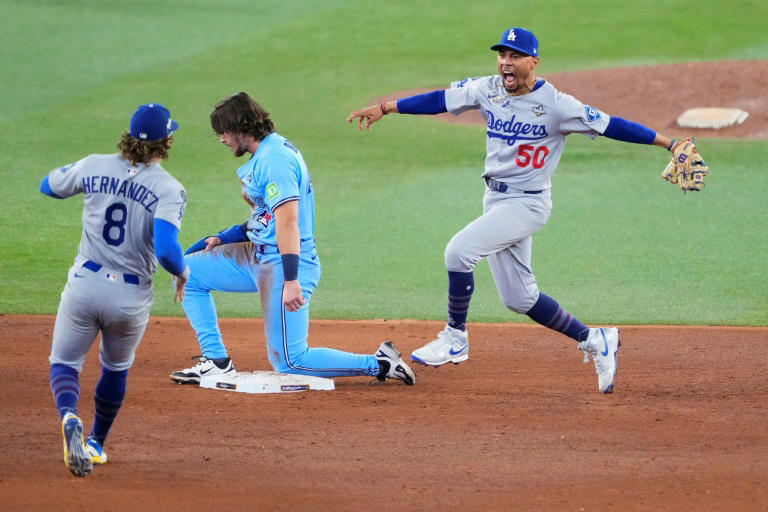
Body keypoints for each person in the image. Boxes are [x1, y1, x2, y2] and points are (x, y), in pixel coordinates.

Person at [347, 27, 701, 394]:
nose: (506, 63)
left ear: (534, 62)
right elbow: (441, 99)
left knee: (458, 253)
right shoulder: (487, 89)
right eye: (502, 55)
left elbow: (612, 125)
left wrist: (670, 143)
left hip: (527, 203)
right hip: (496, 200)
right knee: (519, 299)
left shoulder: (558, 105)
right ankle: (596, 338)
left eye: (515, 56)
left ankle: (455, 337)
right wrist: (387, 107)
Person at [169, 92, 415, 387]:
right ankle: (217, 362)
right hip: (256, 255)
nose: (221, 139)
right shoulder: (266, 153)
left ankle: (379, 363)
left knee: (290, 360)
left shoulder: (275, 160)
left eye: (222, 132)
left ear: (239, 127)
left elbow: (288, 222)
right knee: (187, 273)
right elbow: (267, 216)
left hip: (283, 263)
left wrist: (291, 280)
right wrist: (224, 237)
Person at [42, 103, 189, 477]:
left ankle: (69, 415)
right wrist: (182, 273)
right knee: (115, 367)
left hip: (85, 285)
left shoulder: (93, 165)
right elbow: (169, 251)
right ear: (165, 142)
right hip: (129, 298)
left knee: (64, 364)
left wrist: (85, 178)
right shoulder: (169, 188)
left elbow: (49, 186)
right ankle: (95, 443)